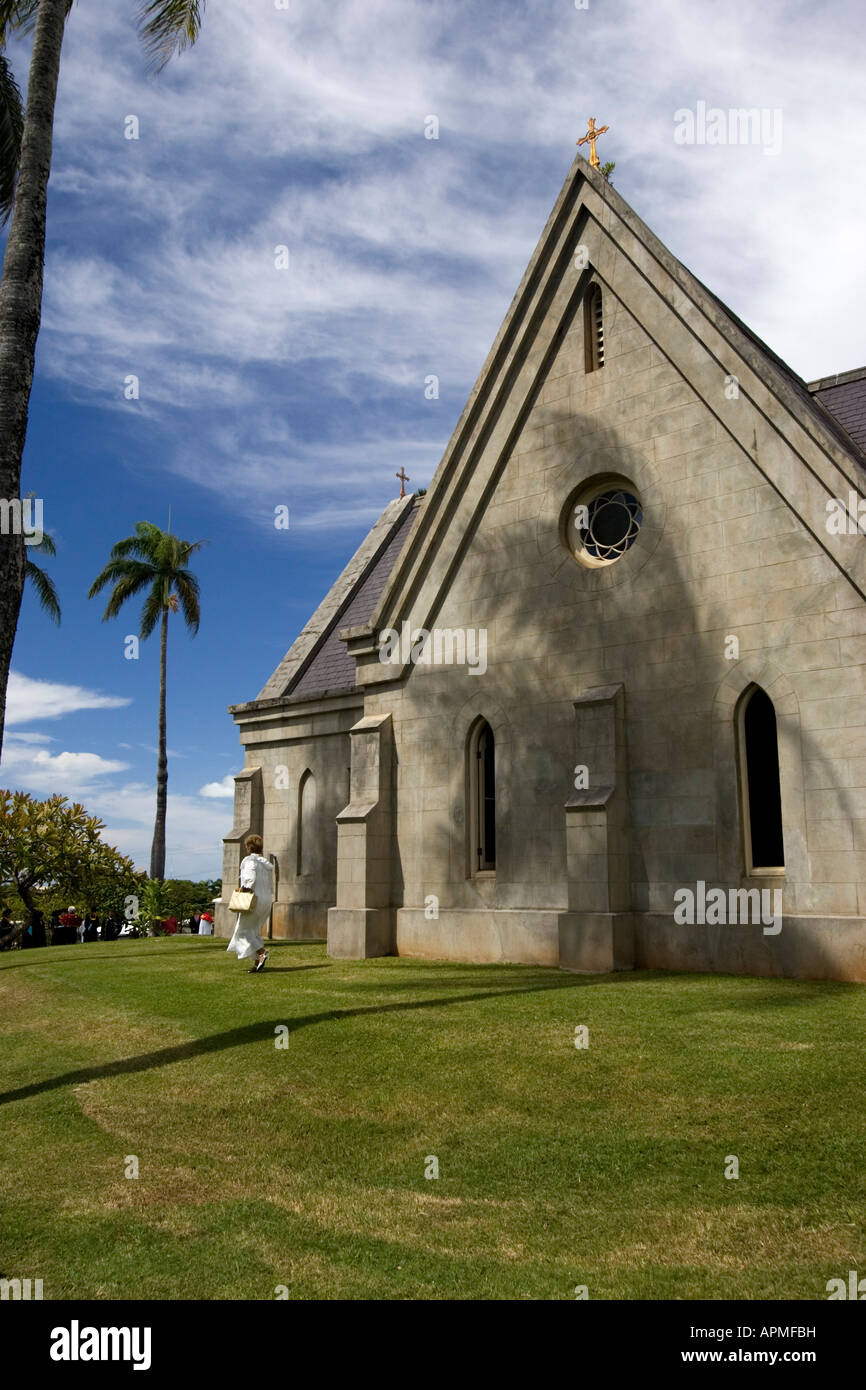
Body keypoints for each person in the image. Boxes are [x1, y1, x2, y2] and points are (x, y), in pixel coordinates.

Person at [226, 835, 273, 972]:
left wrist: (243, 888)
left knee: (243, 931)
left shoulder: (250, 861)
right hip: (266, 900)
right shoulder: (265, 864)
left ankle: (261, 953)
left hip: (253, 900)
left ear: (248, 847)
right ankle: (257, 962)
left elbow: (250, 879)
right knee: (254, 931)